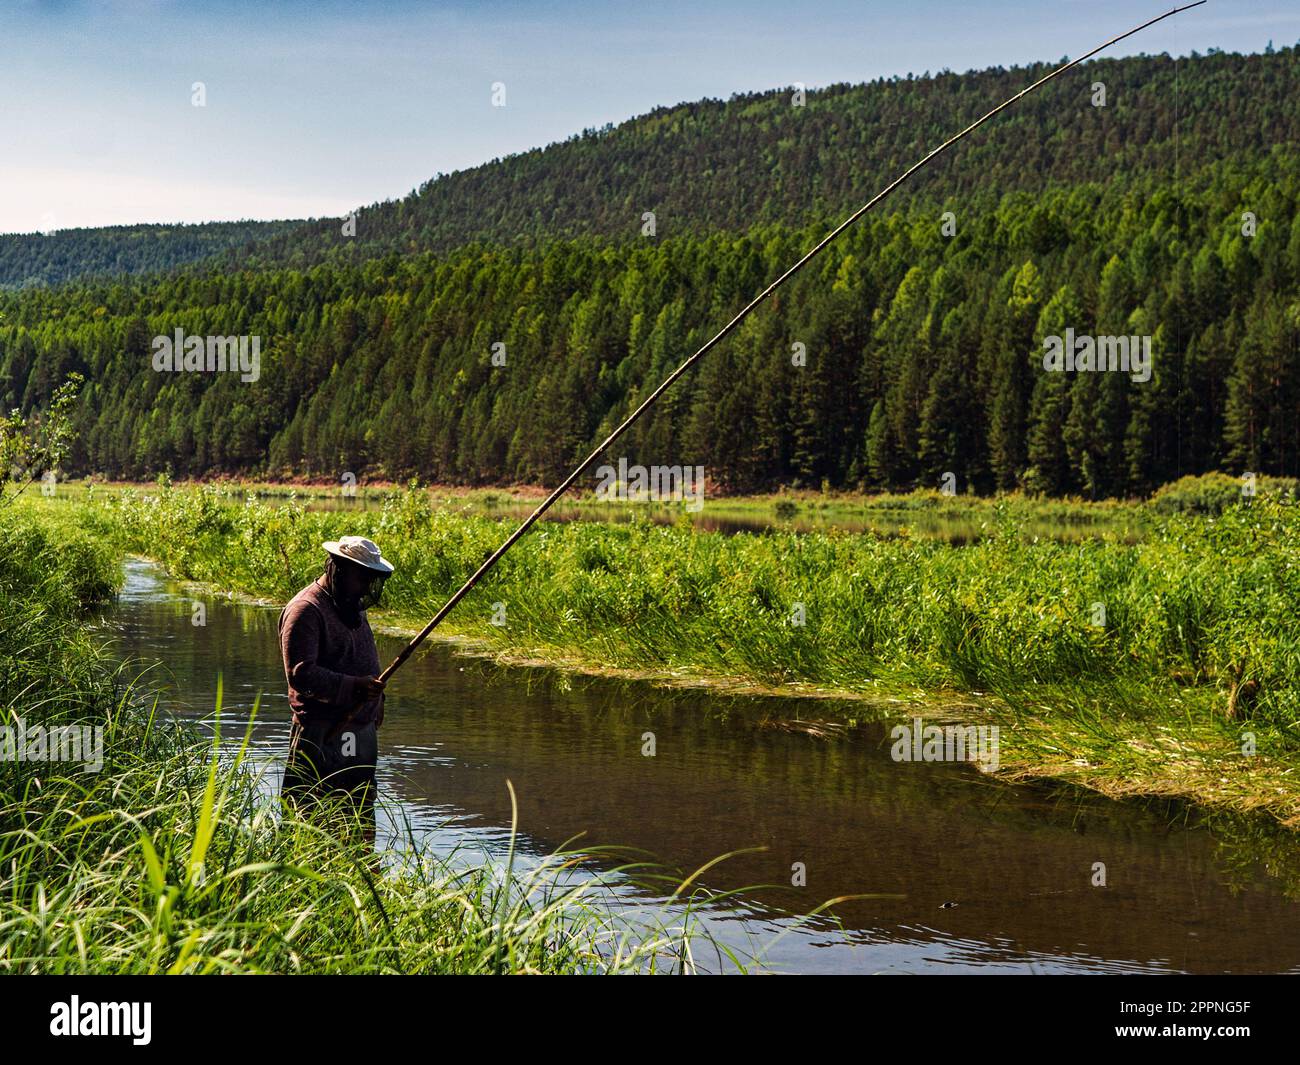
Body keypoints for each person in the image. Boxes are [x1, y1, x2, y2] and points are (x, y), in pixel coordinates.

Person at [278, 535, 394, 846]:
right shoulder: (306, 610)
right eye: (362, 577)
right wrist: (355, 687)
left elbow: (360, 658)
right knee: (309, 820)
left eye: (372, 578)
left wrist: (376, 700)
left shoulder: (349, 605)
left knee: (357, 819)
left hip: (359, 732)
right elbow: (301, 675)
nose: (367, 586)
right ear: (338, 569)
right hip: (322, 734)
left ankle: (361, 883)